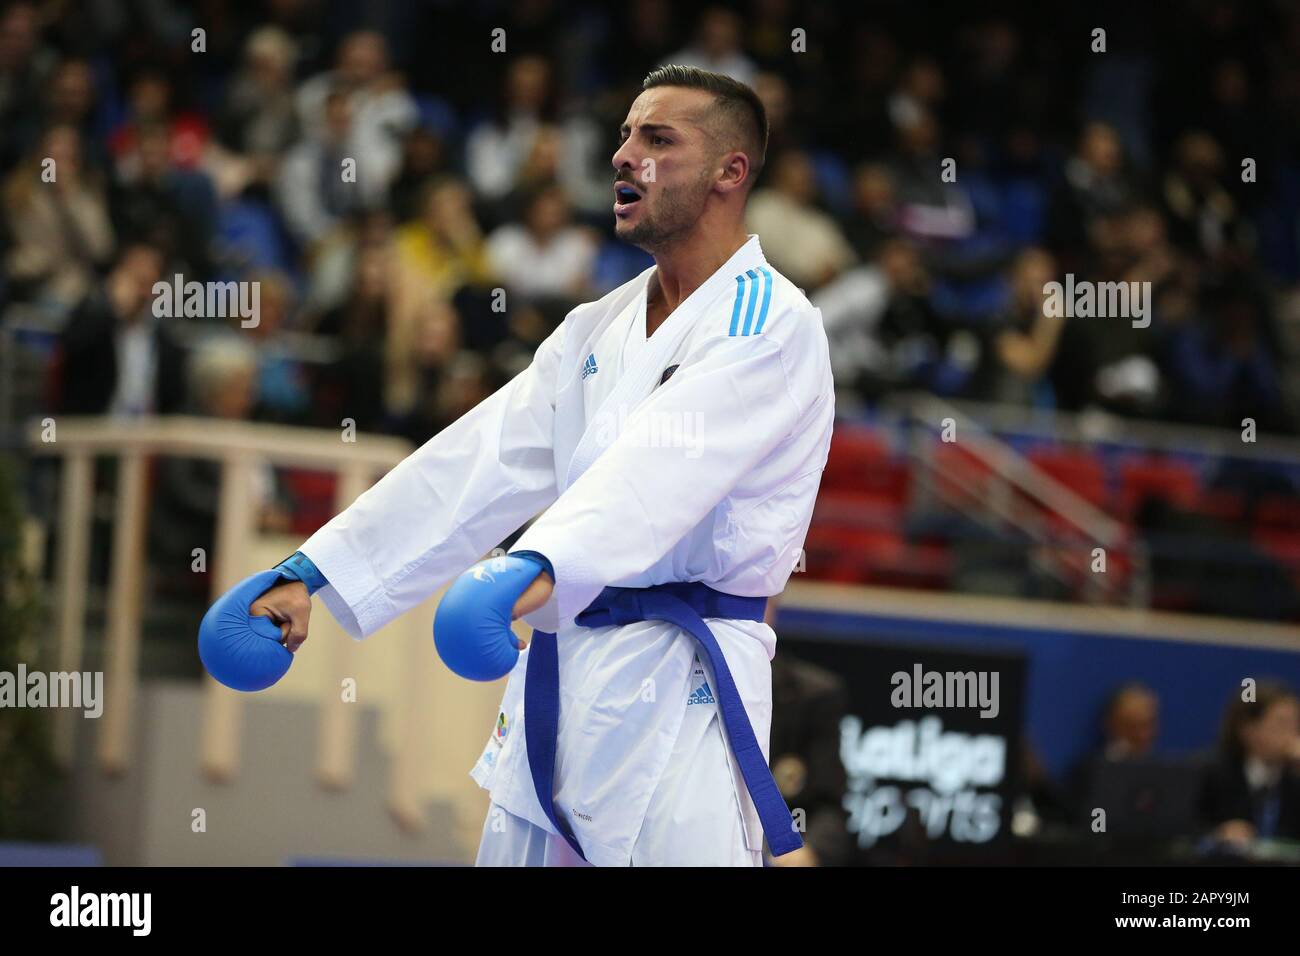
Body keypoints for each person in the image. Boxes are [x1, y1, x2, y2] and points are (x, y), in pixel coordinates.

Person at [200, 65, 835, 867]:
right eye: (625, 134)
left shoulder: (769, 322)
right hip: (559, 680)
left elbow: (658, 472)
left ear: (730, 173)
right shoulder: (594, 327)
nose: (624, 155)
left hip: (683, 689)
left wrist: (535, 565)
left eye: (658, 139)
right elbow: (475, 461)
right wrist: (315, 571)